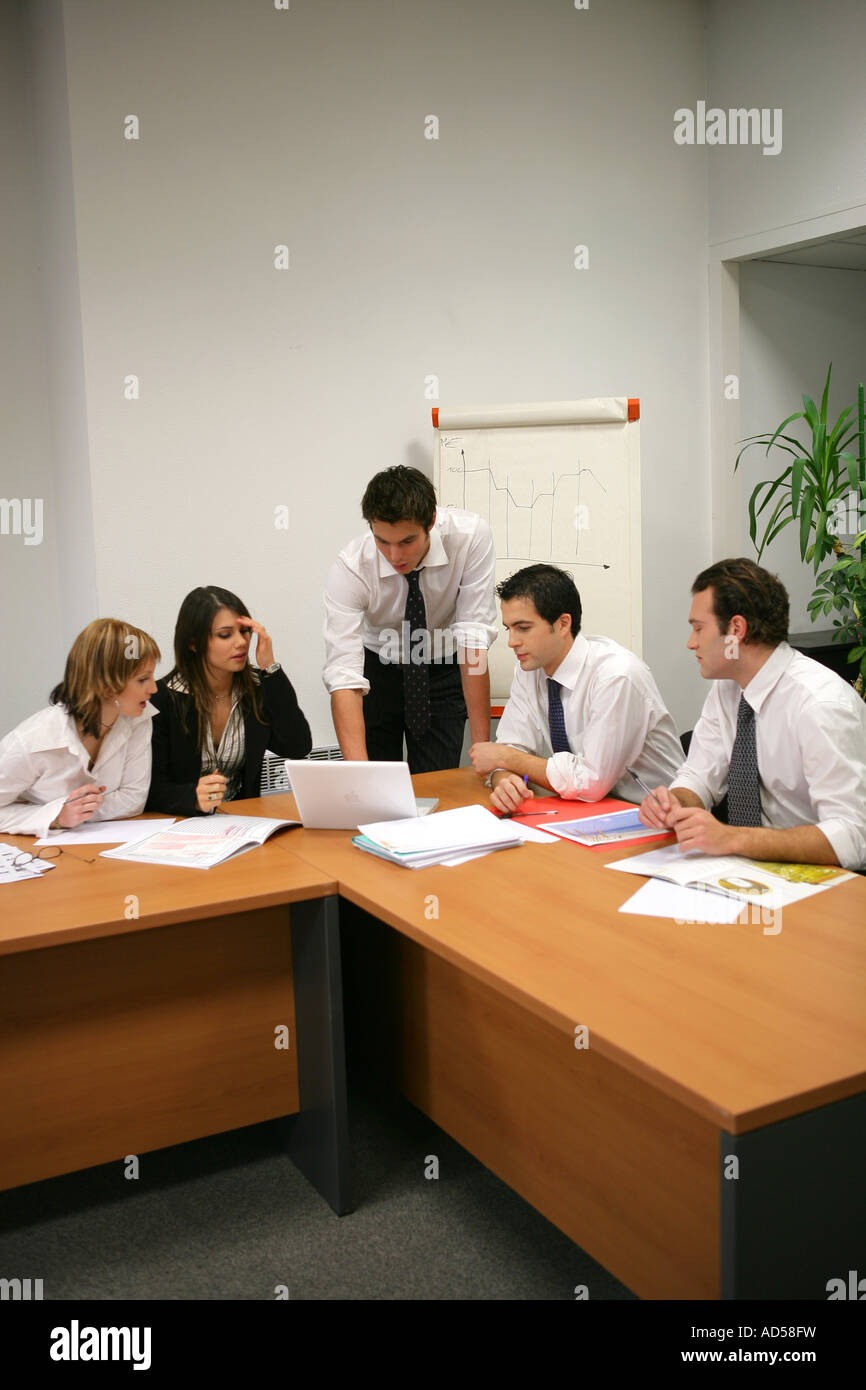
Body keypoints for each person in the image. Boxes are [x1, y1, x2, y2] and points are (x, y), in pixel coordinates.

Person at [637, 558, 866, 870]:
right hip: (756, 870)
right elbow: (699, 778)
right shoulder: (729, 689)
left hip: (823, 880)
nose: (691, 643)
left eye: (699, 629)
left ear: (736, 630)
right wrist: (674, 804)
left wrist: (733, 838)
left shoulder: (820, 704)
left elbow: (852, 837)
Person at [323, 466, 497, 773]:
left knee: (437, 784)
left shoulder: (470, 537)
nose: (394, 555)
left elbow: (473, 641)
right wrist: (359, 778)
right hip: (377, 669)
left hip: (441, 667)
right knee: (377, 784)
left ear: (430, 522)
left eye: (406, 541)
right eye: (382, 541)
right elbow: (343, 675)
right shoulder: (352, 567)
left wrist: (484, 753)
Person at [469, 564, 683, 814]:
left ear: (562, 624)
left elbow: (591, 782)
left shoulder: (616, 676)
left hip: (656, 818)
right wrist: (505, 780)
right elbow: (512, 747)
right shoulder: (529, 670)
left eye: (523, 628)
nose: (512, 642)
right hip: (588, 813)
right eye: (509, 628)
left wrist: (506, 759)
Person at [147, 586, 311, 815]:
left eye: (245, 631)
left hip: (241, 821)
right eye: (225, 635)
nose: (241, 642)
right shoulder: (162, 698)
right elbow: (151, 789)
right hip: (179, 823)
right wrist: (192, 798)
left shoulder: (258, 687)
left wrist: (270, 669)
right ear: (194, 643)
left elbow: (297, 746)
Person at [0, 618, 160, 836]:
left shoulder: (139, 719)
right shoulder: (33, 740)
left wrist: (78, 813)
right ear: (106, 686)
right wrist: (56, 817)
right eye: (143, 679)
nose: (154, 688)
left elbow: (133, 799)